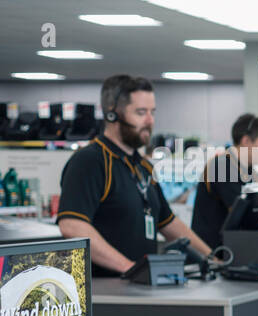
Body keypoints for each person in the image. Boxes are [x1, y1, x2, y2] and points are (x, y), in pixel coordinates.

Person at [57, 74, 213, 275]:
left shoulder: (143, 167)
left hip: (139, 289)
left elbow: (169, 222)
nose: (150, 121)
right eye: (141, 113)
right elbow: (72, 226)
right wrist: (130, 268)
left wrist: (212, 258)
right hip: (105, 292)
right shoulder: (90, 161)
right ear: (112, 115)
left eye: (152, 112)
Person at [190, 113, 258, 250]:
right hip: (212, 258)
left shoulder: (249, 172)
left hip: (231, 255)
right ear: (246, 141)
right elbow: (254, 219)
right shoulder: (222, 167)